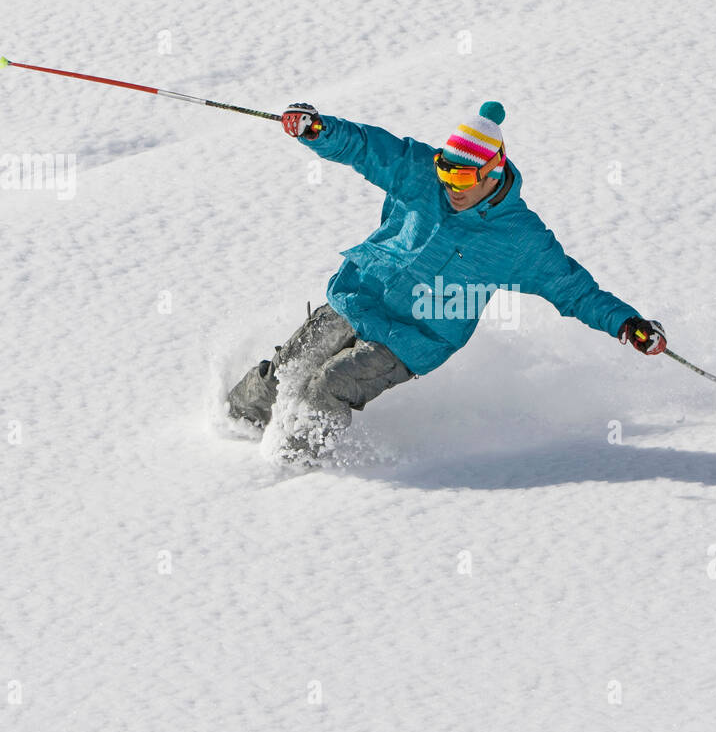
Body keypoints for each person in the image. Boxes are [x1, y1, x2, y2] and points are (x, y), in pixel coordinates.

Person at [227, 100, 666, 462]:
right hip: (359, 295)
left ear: (492, 174)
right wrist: (318, 130)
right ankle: (232, 423)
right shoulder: (421, 173)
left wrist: (626, 323)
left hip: (413, 336)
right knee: (286, 371)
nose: (450, 185)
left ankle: (289, 467)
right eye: (445, 171)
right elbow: (367, 148)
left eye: (462, 177)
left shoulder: (519, 239)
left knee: (326, 386)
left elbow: (573, 290)